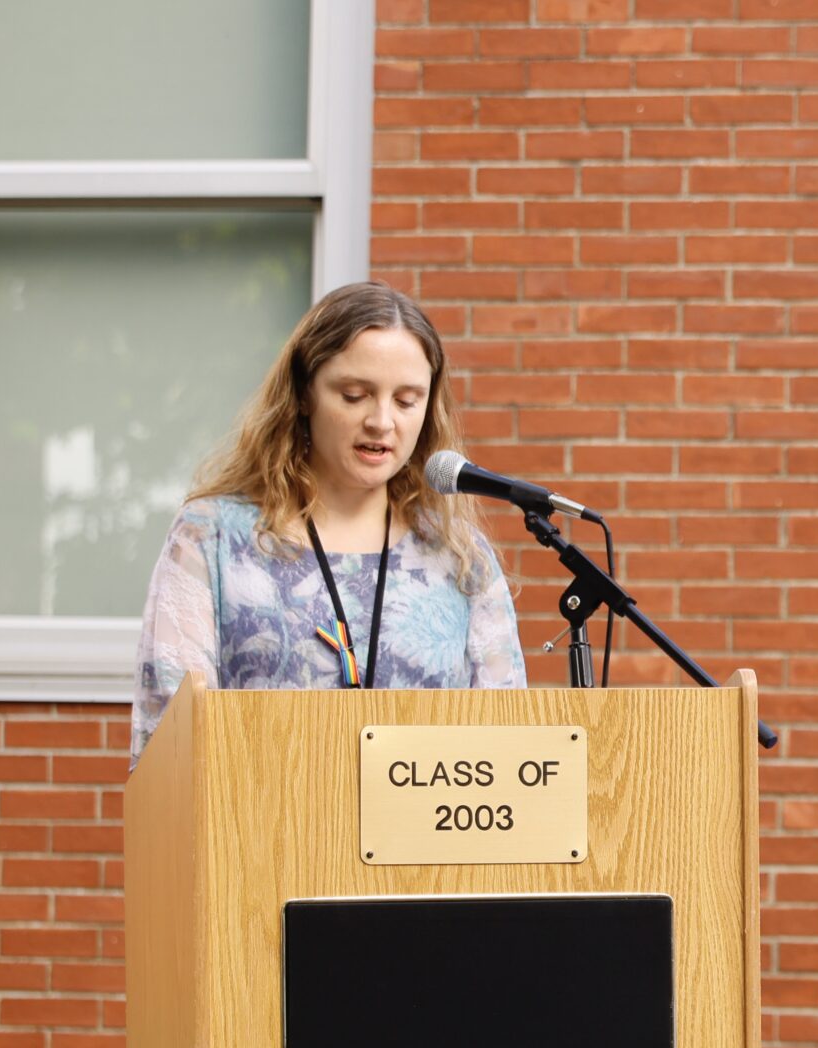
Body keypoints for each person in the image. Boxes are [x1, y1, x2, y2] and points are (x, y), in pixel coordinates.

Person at [128, 282, 527, 766]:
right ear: (302, 395)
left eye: (406, 401)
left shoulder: (460, 555)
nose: (382, 421)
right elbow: (167, 741)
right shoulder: (211, 536)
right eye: (355, 395)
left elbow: (505, 749)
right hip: (257, 836)